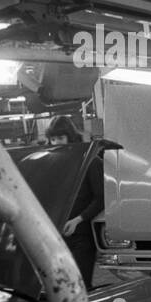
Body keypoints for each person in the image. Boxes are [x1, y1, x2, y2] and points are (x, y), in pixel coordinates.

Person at [47, 117, 103, 289]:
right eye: (53, 139)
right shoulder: (52, 164)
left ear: (71, 137)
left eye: (61, 138)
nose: (57, 143)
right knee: (62, 289)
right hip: (58, 235)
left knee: (80, 286)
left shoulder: (90, 161)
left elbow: (101, 198)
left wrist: (78, 219)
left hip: (82, 236)